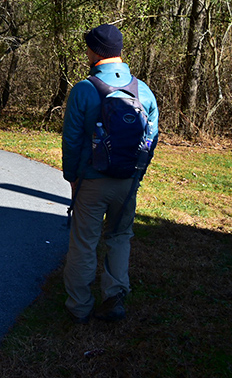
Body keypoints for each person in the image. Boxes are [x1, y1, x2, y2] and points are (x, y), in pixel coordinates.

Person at [62, 23, 159, 324]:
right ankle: (114, 297)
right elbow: (151, 139)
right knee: (120, 237)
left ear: (94, 52)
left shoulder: (84, 90)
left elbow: (72, 141)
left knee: (84, 242)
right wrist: (137, 176)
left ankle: (79, 306)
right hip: (127, 182)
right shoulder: (144, 91)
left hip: (91, 180)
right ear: (119, 52)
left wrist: (72, 177)